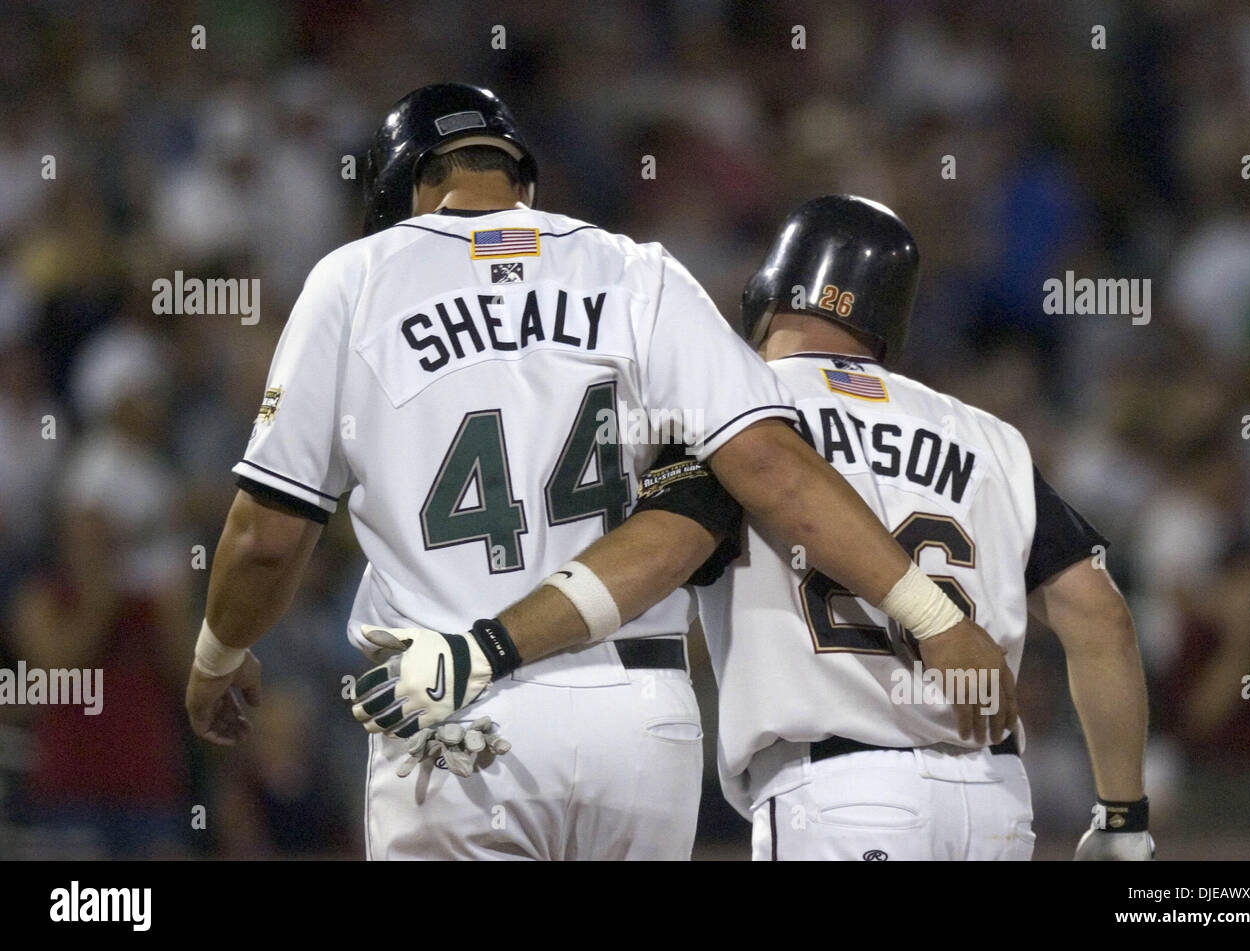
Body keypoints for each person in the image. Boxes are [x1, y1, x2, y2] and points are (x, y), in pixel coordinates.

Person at [186, 85, 1010, 861]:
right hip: (638, 718)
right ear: (520, 182)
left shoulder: (357, 279)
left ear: (404, 192)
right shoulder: (633, 269)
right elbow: (772, 467)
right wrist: (933, 618)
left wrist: (218, 658)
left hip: (452, 708)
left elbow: (267, 537)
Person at [398, 196, 1150, 861]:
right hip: (994, 803)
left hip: (843, 792)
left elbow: (663, 549)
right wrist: (1121, 815)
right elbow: (1099, 615)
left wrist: (490, 646)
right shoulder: (989, 437)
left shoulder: (736, 411)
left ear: (766, 297)